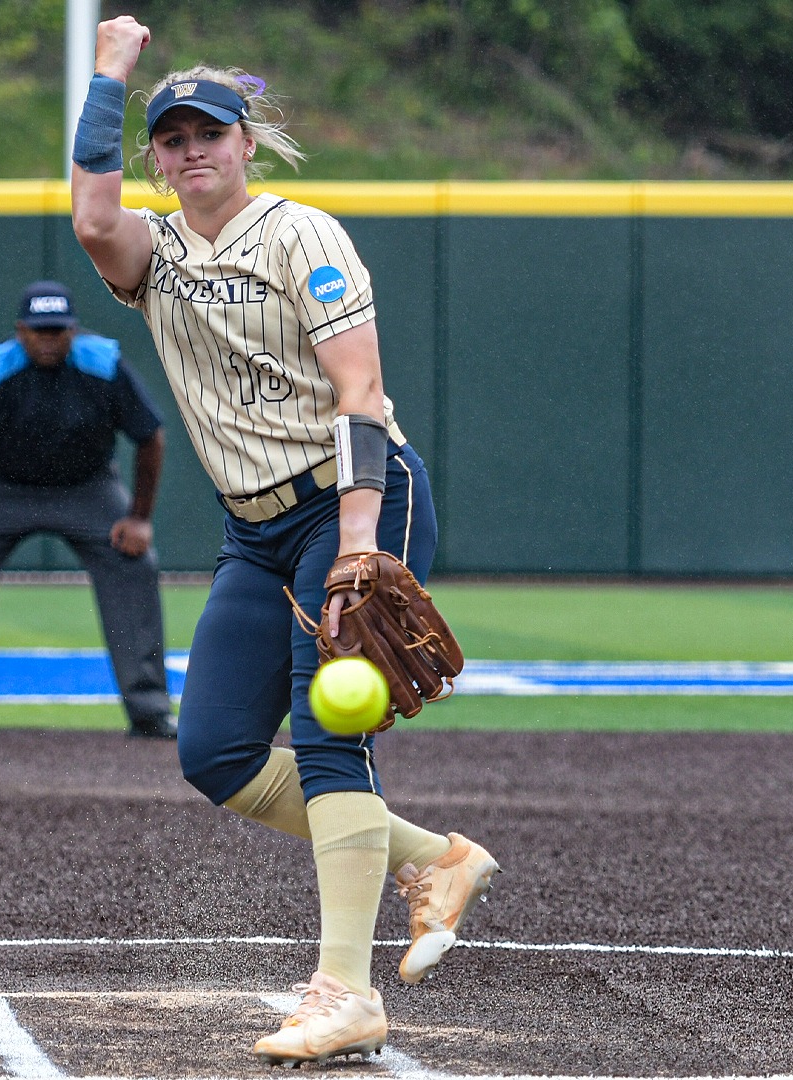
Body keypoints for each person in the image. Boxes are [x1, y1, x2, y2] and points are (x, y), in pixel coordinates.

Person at [67, 16, 500, 1065]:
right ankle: (434, 859)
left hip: (355, 502)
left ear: (246, 142)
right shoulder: (157, 250)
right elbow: (91, 218)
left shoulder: (304, 235)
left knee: (324, 737)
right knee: (213, 751)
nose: (190, 151)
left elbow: (361, 393)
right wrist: (107, 77)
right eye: (169, 140)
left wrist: (359, 548)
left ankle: (343, 991)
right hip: (254, 528)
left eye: (208, 133)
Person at [0, 280, 178, 741]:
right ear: (20, 331)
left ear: (73, 330)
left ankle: (149, 711)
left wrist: (139, 518)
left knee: (135, 564)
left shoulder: (103, 364)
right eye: (38, 331)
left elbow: (150, 436)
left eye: (57, 331)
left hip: (87, 487)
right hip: (1, 487)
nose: (48, 340)